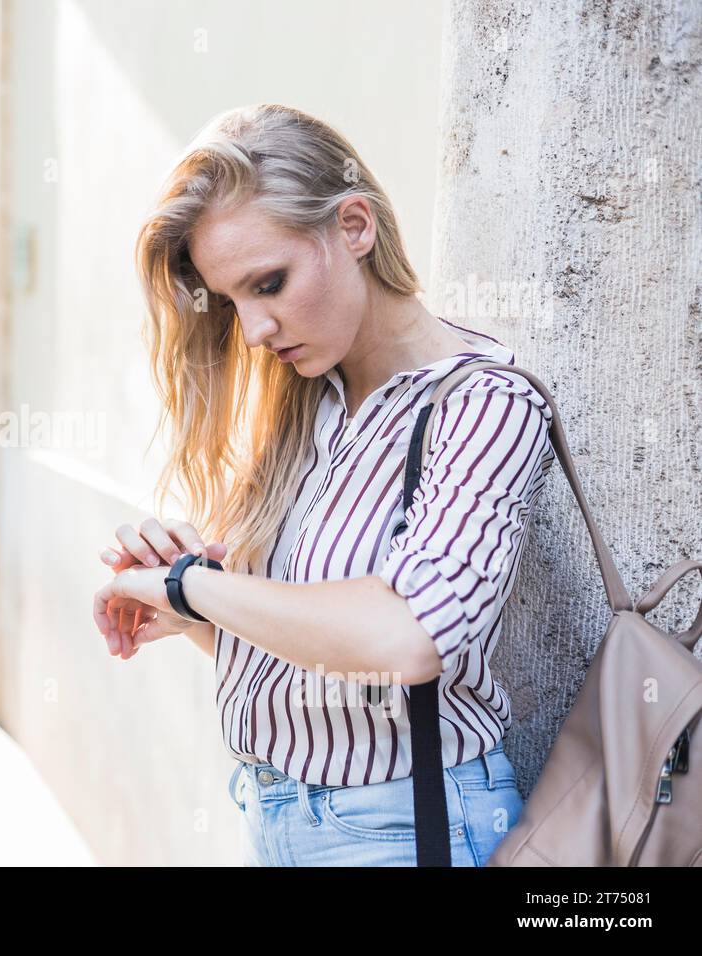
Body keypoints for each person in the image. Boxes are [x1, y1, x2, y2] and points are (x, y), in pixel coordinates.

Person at [91, 104, 549, 866]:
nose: (256, 331)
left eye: (269, 283)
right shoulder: (305, 403)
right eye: (233, 302)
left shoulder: (485, 404)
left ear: (355, 226)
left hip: (402, 830)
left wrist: (191, 588)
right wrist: (175, 601)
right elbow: (314, 658)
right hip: (271, 814)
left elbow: (405, 639)